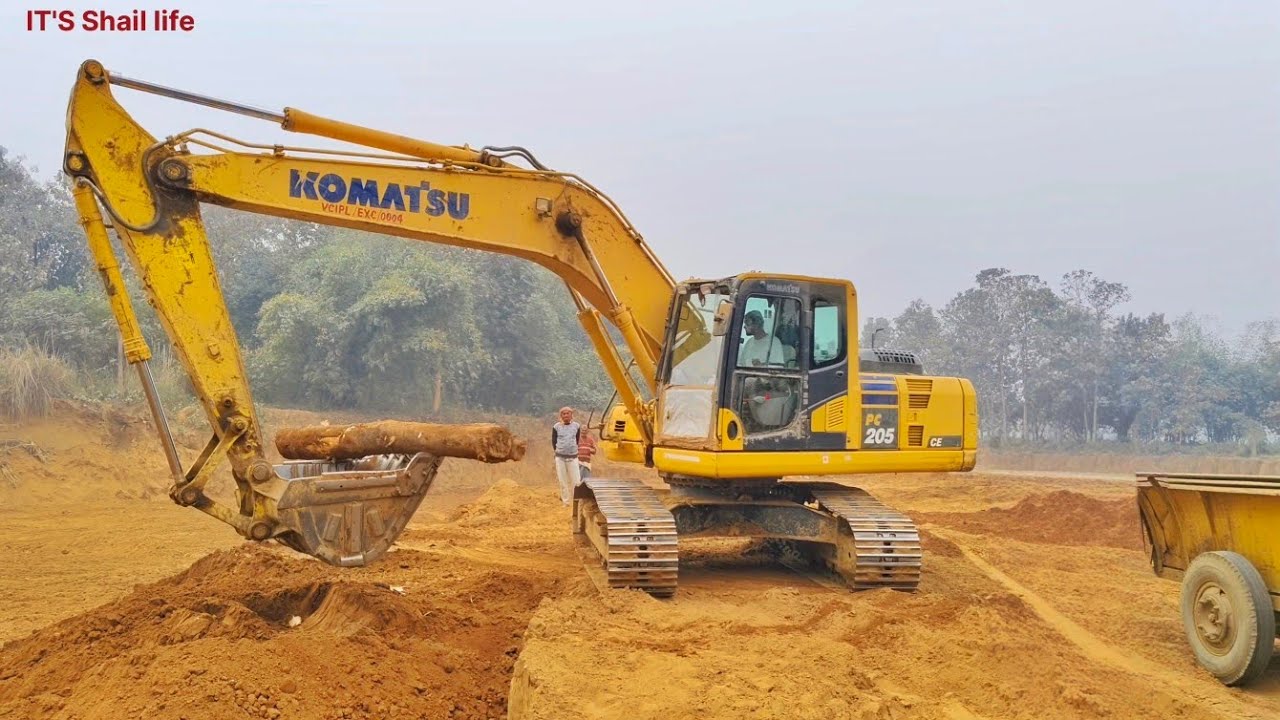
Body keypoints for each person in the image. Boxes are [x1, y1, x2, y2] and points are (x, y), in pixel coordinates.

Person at [551, 406, 581, 505]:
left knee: (576, 481)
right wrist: (559, 451)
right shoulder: (556, 427)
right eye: (564, 414)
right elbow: (554, 441)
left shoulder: (577, 426)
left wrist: (571, 449)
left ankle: (576, 501)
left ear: (571, 415)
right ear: (561, 416)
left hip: (573, 457)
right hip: (560, 458)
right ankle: (566, 501)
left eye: (568, 413)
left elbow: (577, 439)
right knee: (562, 480)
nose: (566, 415)